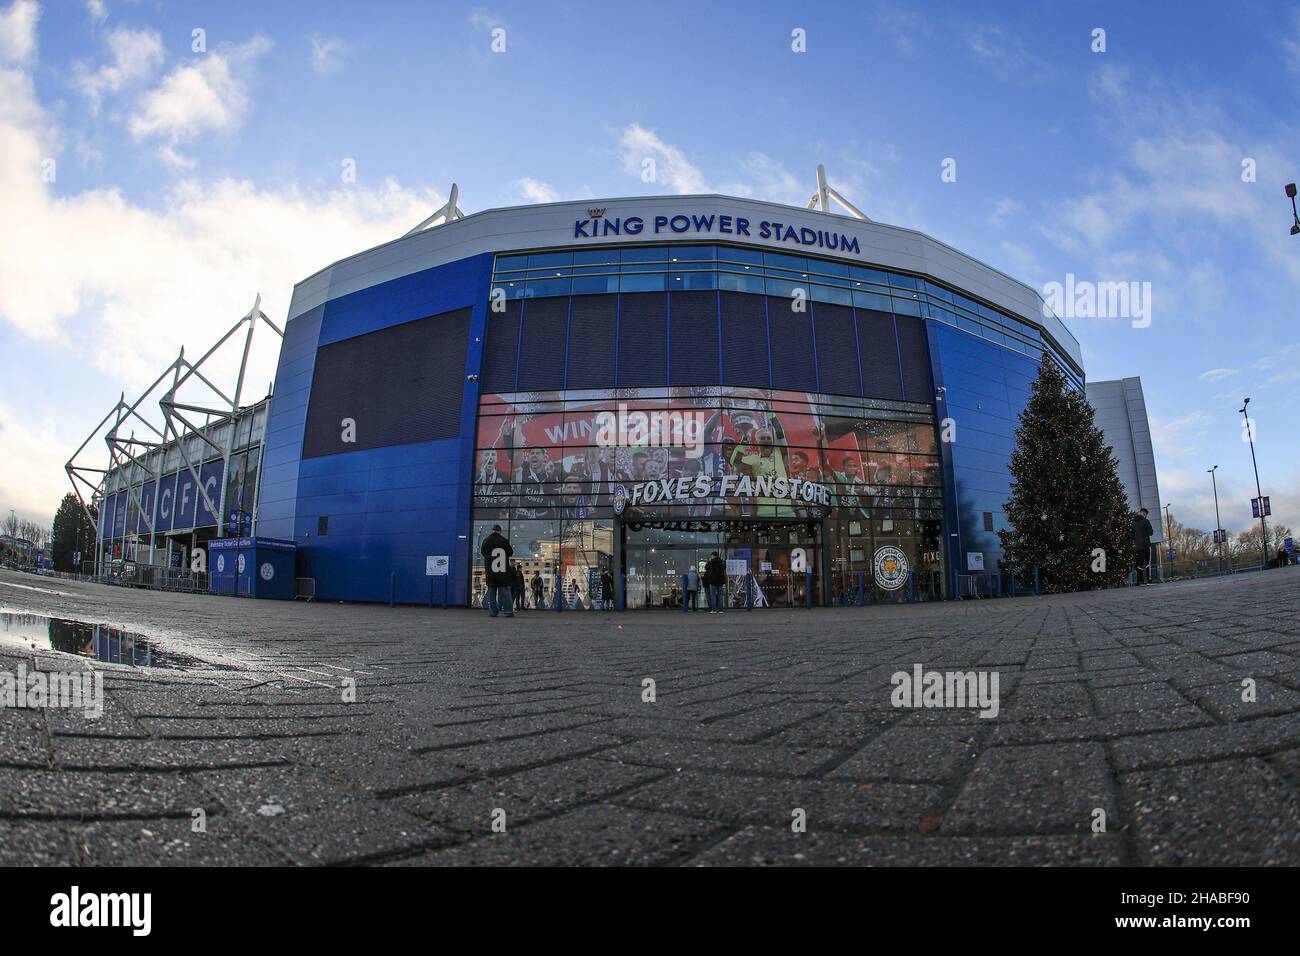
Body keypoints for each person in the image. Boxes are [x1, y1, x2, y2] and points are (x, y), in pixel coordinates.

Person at [480, 524, 514, 617]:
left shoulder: (486, 541)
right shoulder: (504, 540)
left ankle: (493, 612)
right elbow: (510, 552)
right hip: (502, 572)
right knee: (505, 593)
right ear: (500, 531)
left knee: (492, 593)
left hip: (491, 572)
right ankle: (508, 611)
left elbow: (483, 552)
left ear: (492, 530)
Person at [1132, 508, 1154, 585]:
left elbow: (1131, 535)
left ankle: (1141, 582)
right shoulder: (1146, 521)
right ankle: (1149, 580)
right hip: (1146, 545)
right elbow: (1150, 532)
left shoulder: (1133, 523)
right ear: (1145, 514)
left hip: (1138, 547)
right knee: (1148, 563)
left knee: (1139, 564)